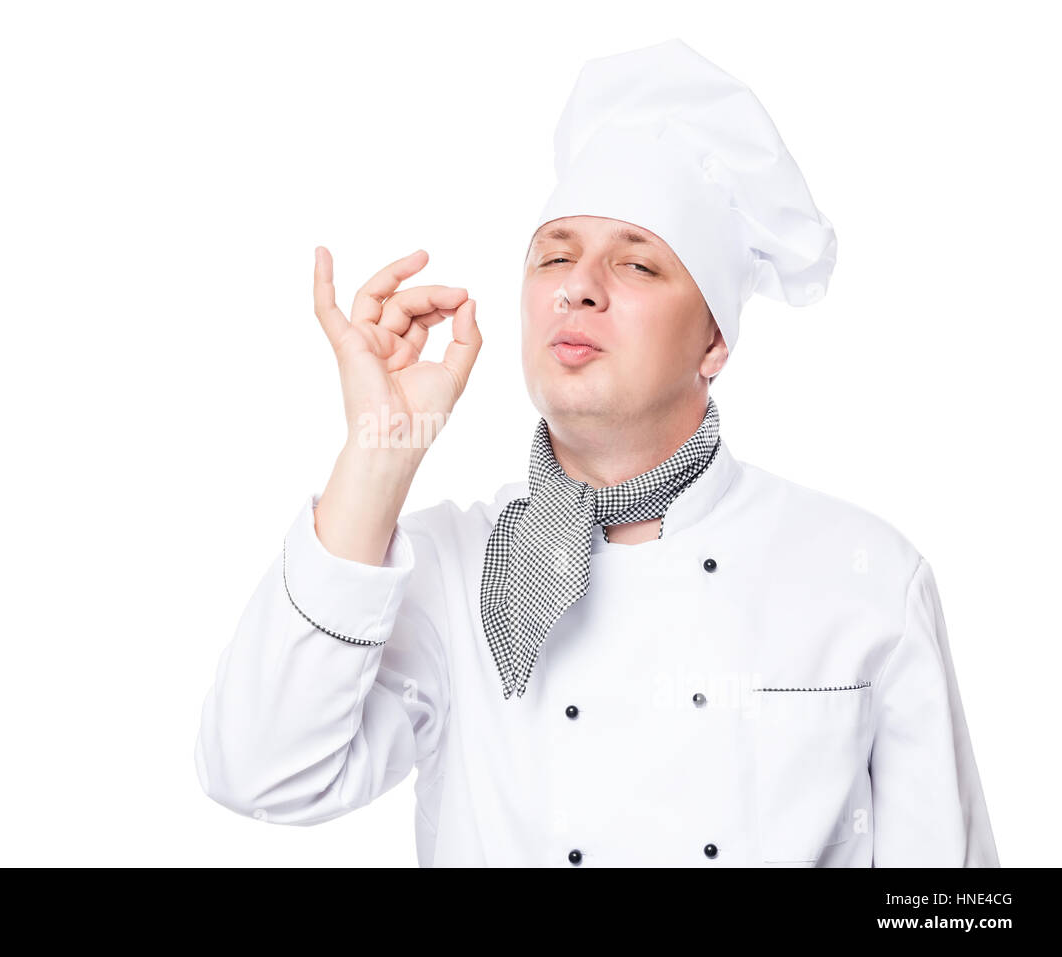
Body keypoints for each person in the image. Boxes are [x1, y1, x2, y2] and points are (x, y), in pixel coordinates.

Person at [194, 39, 999, 867]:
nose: (578, 284)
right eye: (554, 254)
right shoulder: (452, 569)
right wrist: (380, 451)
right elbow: (259, 772)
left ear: (715, 340)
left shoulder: (861, 576)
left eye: (638, 262)